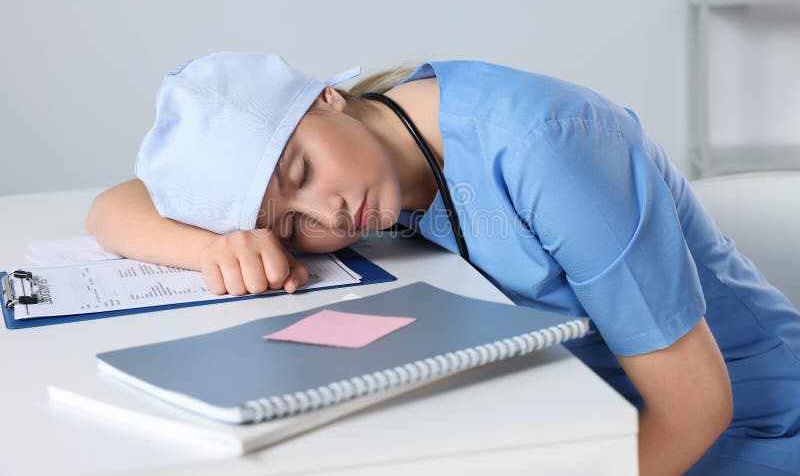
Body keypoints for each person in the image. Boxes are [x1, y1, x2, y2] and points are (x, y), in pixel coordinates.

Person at [87, 51, 800, 475]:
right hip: (582, 407)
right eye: (288, 226)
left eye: (301, 172)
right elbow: (115, 206)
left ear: (327, 98)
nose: (324, 217)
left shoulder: (544, 148)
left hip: (744, 425)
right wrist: (216, 246)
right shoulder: (383, 157)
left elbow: (696, 408)